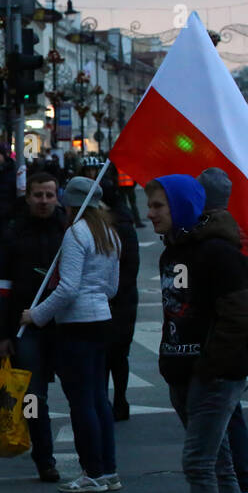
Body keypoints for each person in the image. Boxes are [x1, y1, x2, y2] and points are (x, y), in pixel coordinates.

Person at [146, 176, 248, 493]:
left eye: (159, 205)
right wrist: (170, 360)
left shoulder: (215, 254)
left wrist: (209, 366)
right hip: (183, 372)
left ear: (183, 207)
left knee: (198, 463)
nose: (150, 213)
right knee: (220, 464)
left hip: (213, 375)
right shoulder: (173, 254)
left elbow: (240, 315)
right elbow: (177, 315)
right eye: (151, 205)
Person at [22, 176, 122, 493]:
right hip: (102, 318)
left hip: (77, 323)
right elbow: (113, 286)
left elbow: (68, 288)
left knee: (81, 402)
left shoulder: (76, 233)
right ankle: (108, 469)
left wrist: (36, 315)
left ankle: (91, 471)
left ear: (70, 202)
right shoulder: (109, 233)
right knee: (98, 398)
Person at [197, 168, 248, 493]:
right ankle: (242, 487)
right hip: (234, 341)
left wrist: (211, 360)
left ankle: (246, 489)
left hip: (227, 343)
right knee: (227, 415)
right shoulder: (233, 233)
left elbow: (237, 305)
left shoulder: (222, 241)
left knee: (229, 415)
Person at [0, 172, 68, 481]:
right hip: (25, 325)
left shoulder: (69, 230)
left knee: (80, 394)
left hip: (65, 324)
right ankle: (44, 459)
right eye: (38, 195)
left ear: (57, 197)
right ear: (28, 198)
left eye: (49, 195)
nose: (44, 201)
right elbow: (2, 287)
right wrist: (2, 333)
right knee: (33, 397)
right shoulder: (13, 231)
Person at [100, 171, 140, 421]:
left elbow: (129, 267)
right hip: (124, 300)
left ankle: (113, 400)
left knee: (108, 355)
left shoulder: (118, 227)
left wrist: (108, 292)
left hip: (115, 299)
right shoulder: (123, 224)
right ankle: (118, 401)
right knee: (117, 355)